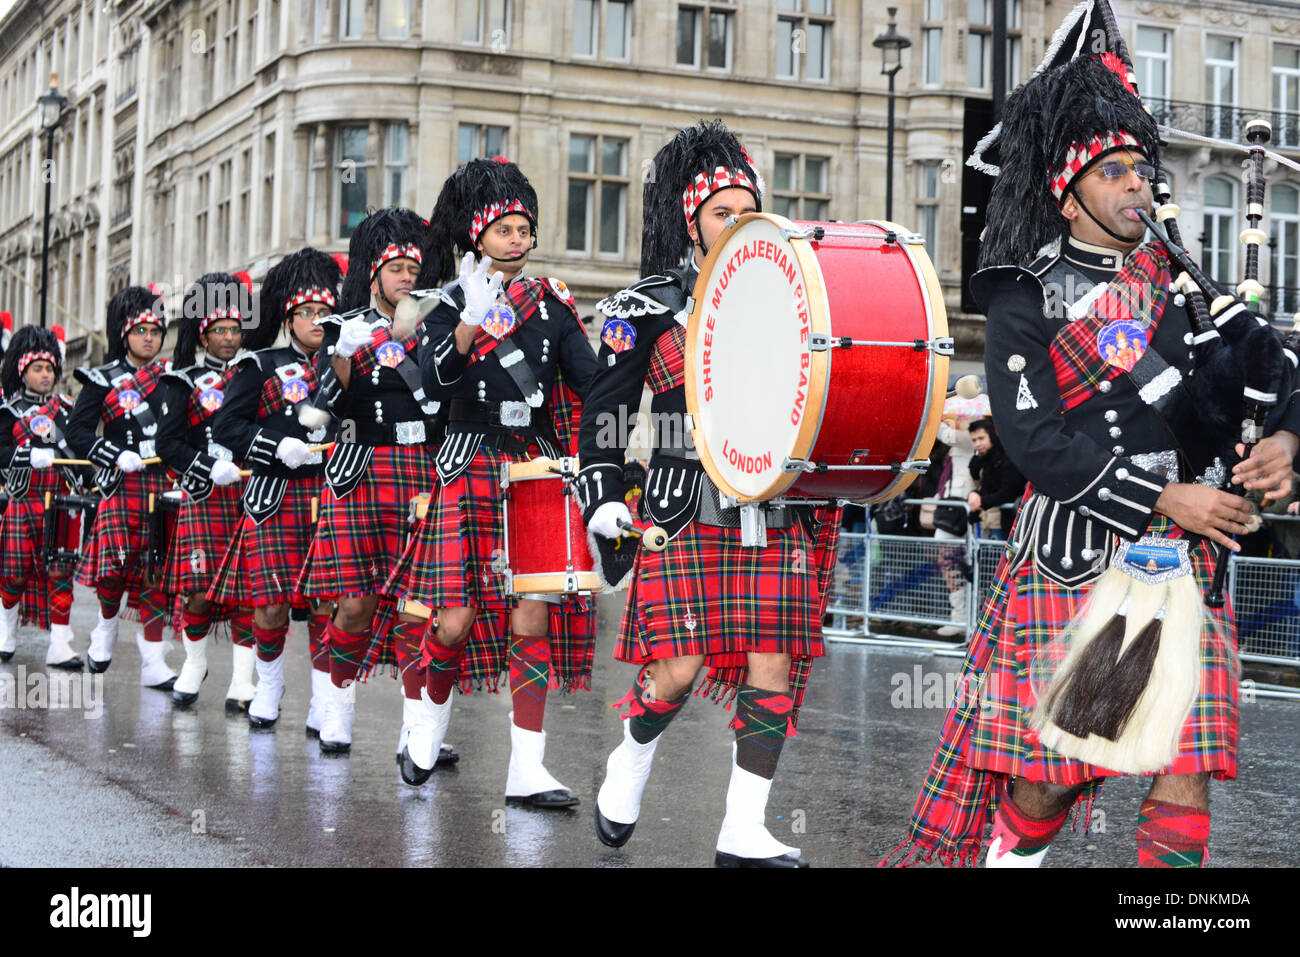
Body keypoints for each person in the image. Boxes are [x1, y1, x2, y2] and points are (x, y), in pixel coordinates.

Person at [884, 30, 1300, 869]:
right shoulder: (1022, 298)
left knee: (1183, 773)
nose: (1136, 184)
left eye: (1142, 170)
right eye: (1113, 172)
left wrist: (1288, 440)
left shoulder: (1187, 292)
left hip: (1187, 565)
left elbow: (1277, 371)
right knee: (1055, 775)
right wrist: (1160, 496)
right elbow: (1034, 441)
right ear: (1067, 195)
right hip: (1077, 560)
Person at [576, 120, 842, 866]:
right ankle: (629, 757)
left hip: (770, 502)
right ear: (692, 223)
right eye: (723, 211)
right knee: (678, 669)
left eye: (747, 208)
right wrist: (602, 495)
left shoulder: (795, 296)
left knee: (773, 662)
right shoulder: (642, 305)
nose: (738, 221)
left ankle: (742, 828)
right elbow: (605, 411)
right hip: (678, 502)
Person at [386, 158, 597, 798]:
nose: (515, 240)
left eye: (522, 230)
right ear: (478, 235)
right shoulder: (446, 304)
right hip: (468, 458)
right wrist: (470, 322)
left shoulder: (554, 303)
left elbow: (587, 382)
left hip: (534, 465)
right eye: (503, 229)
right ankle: (425, 723)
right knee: (454, 620)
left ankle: (526, 770)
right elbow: (432, 389)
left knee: (533, 614)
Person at [295, 208, 446, 757]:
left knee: (418, 607)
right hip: (362, 467)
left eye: (414, 266)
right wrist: (341, 352)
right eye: (397, 268)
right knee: (355, 605)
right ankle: (336, 705)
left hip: (425, 470)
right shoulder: (344, 327)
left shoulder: (439, 323)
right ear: (375, 274)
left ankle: (417, 726)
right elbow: (321, 410)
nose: (408, 277)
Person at [208, 248, 339, 732]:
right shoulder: (258, 365)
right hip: (275, 495)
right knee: (269, 601)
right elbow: (227, 428)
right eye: (308, 313)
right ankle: (268, 683)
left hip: (330, 495)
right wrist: (271, 444)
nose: (318, 321)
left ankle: (324, 700)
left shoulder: (343, 365)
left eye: (326, 313)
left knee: (327, 600)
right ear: (289, 317)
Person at [68, 286, 178, 688]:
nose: (149, 338)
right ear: (124, 335)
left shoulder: (172, 378)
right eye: (140, 330)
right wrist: (111, 453)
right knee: (113, 569)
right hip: (122, 483)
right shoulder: (102, 379)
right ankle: (106, 625)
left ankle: (152, 659)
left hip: (162, 484)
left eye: (155, 330)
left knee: (156, 572)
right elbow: (78, 432)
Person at [155, 272, 255, 708]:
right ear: (203, 335)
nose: (229, 338)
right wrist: (205, 467)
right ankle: (194, 663)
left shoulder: (256, 372)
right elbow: (167, 443)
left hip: (251, 494)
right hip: (205, 495)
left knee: (250, 591)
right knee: (198, 589)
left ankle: (244, 680)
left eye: (235, 330)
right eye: (220, 331)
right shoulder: (184, 380)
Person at [0, 325, 89, 668]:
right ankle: (6, 632)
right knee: (15, 572)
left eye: (50, 368)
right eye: (38, 368)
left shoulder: (66, 410)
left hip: (62, 503)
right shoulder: (8, 412)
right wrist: (24, 456)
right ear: (23, 371)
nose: (45, 375)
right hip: (25, 501)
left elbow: (80, 451)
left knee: (60, 573)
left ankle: (59, 644)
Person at [966, 417, 1026, 541]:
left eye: (981, 438)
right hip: (988, 521)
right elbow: (986, 486)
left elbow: (1009, 492)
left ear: (992, 436)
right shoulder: (983, 458)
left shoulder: (1007, 456)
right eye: (974, 440)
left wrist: (980, 501)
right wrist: (975, 494)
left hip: (1006, 523)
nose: (977, 443)